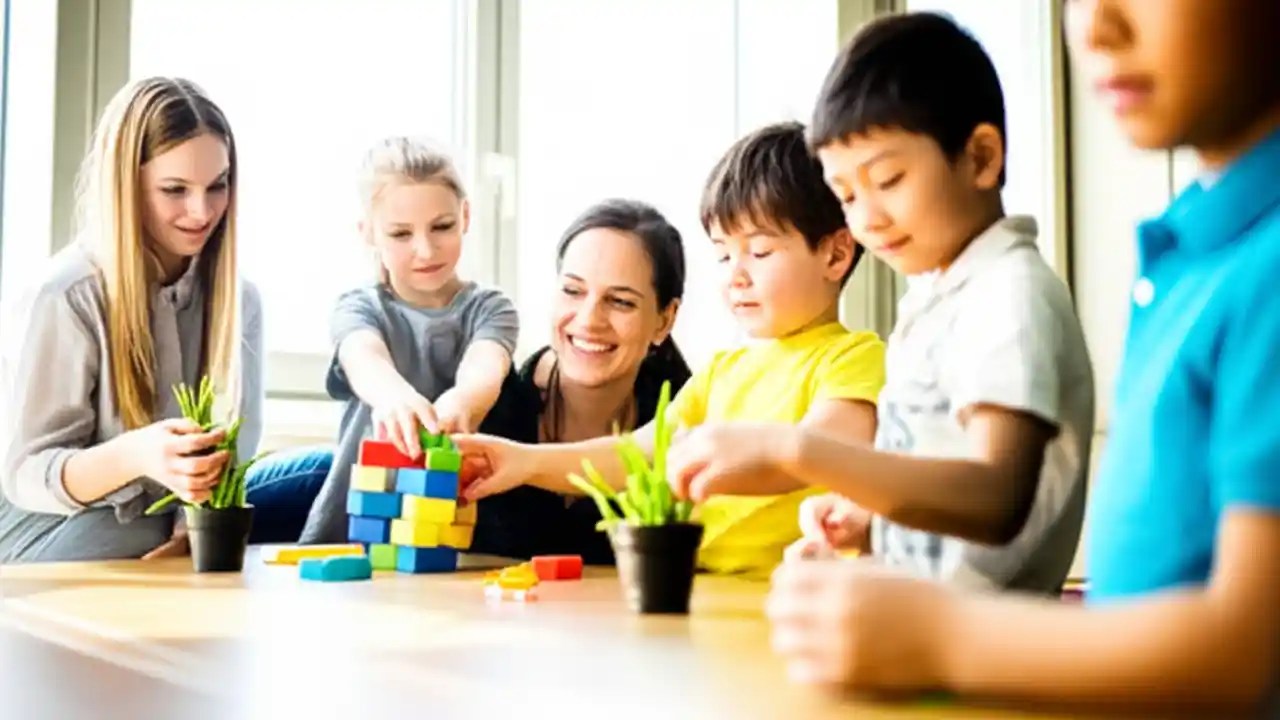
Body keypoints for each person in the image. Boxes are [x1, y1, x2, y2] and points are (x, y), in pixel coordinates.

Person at [766, 2, 1280, 713]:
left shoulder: (1259, 265)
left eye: (886, 181)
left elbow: (1245, 652)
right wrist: (882, 529)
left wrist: (939, 636)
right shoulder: (1192, 252)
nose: (1095, 29)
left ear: (980, 157)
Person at [668, 12, 1094, 595]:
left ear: (980, 158)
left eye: (888, 179)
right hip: (926, 615)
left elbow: (996, 497)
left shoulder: (1009, 296)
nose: (866, 216)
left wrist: (793, 449)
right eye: (845, 195)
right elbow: (938, 479)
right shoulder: (939, 299)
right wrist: (871, 524)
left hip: (983, 638)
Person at [456, 122, 886, 578]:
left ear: (836, 256)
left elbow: (824, 450)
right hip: (699, 590)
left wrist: (719, 453)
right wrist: (522, 461)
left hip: (782, 590)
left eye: (758, 252)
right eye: (723, 255)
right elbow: (637, 454)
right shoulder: (723, 370)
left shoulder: (854, 357)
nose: (735, 275)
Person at [0, 77, 263, 562]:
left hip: (164, 524)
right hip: (52, 525)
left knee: (312, 480)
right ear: (127, 186)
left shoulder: (238, 301)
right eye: (174, 190)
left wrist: (194, 530)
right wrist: (139, 455)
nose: (202, 212)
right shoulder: (65, 296)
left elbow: (234, 453)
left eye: (217, 186)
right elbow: (24, 474)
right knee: (132, 534)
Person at [297, 137, 517, 544]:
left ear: (465, 216)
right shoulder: (359, 308)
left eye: (442, 227)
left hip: (463, 530)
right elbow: (364, 357)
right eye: (400, 234)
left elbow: (485, 368)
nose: (425, 249)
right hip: (355, 530)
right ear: (369, 233)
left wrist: (461, 402)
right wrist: (395, 398)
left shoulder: (490, 308)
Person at [468, 198, 693, 563]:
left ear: (664, 320)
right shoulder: (492, 405)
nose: (589, 320)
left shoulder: (691, 416)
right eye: (572, 291)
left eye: (620, 301)